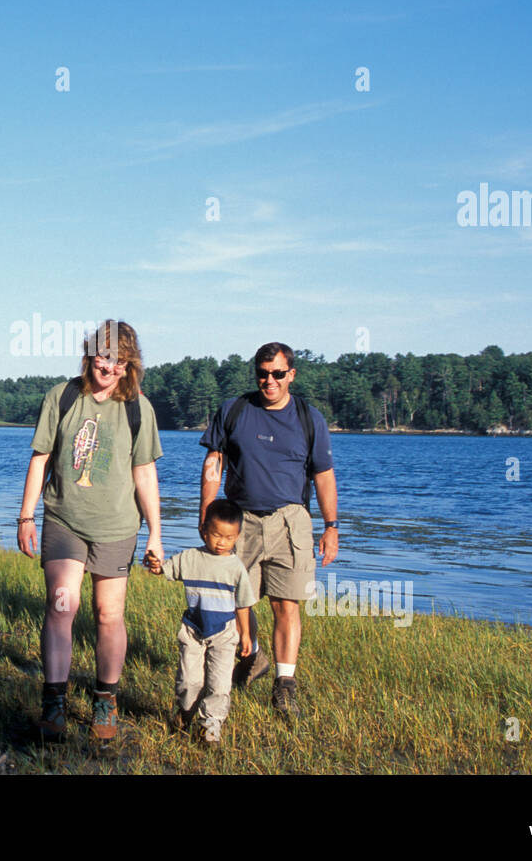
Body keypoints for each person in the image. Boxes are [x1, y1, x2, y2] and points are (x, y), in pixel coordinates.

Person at [17, 319, 163, 742]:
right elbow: (40, 459)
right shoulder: (62, 397)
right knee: (62, 605)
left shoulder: (139, 407)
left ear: (129, 363)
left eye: (119, 360)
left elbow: (145, 472)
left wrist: (156, 532)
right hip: (64, 518)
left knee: (108, 615)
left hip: (118, 526)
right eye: (102, 356)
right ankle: (54, 703)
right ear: (89, 355)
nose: (109, 366)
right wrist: (26, 516)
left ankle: (105, 700)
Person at [198, 342, 339, 719]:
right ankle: (252, 654)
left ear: (291, 374)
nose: (269, 380)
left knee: (285, 604)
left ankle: (284, 686)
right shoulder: (235, 410)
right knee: (233, 600)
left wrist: (331, 527)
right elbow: (214, 462)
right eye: (263, 373)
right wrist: (206, 512)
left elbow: (324, 476)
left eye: (278, 373)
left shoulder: (311, 419)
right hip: (239, 519)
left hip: (290, 522)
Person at [145, 498, 255, 745]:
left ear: (237, 537)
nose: (221, 542)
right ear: (204, 529)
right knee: (190, 681)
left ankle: (210, 727)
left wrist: (245, 634)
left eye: (229, 538)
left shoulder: (236, 567)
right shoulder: (190, 558)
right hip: (193, 630)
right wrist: (154, 564)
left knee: (219, 684)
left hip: (225, 633)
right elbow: (165, 569)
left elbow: (243, 604)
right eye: (216, 535)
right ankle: (185, 712)